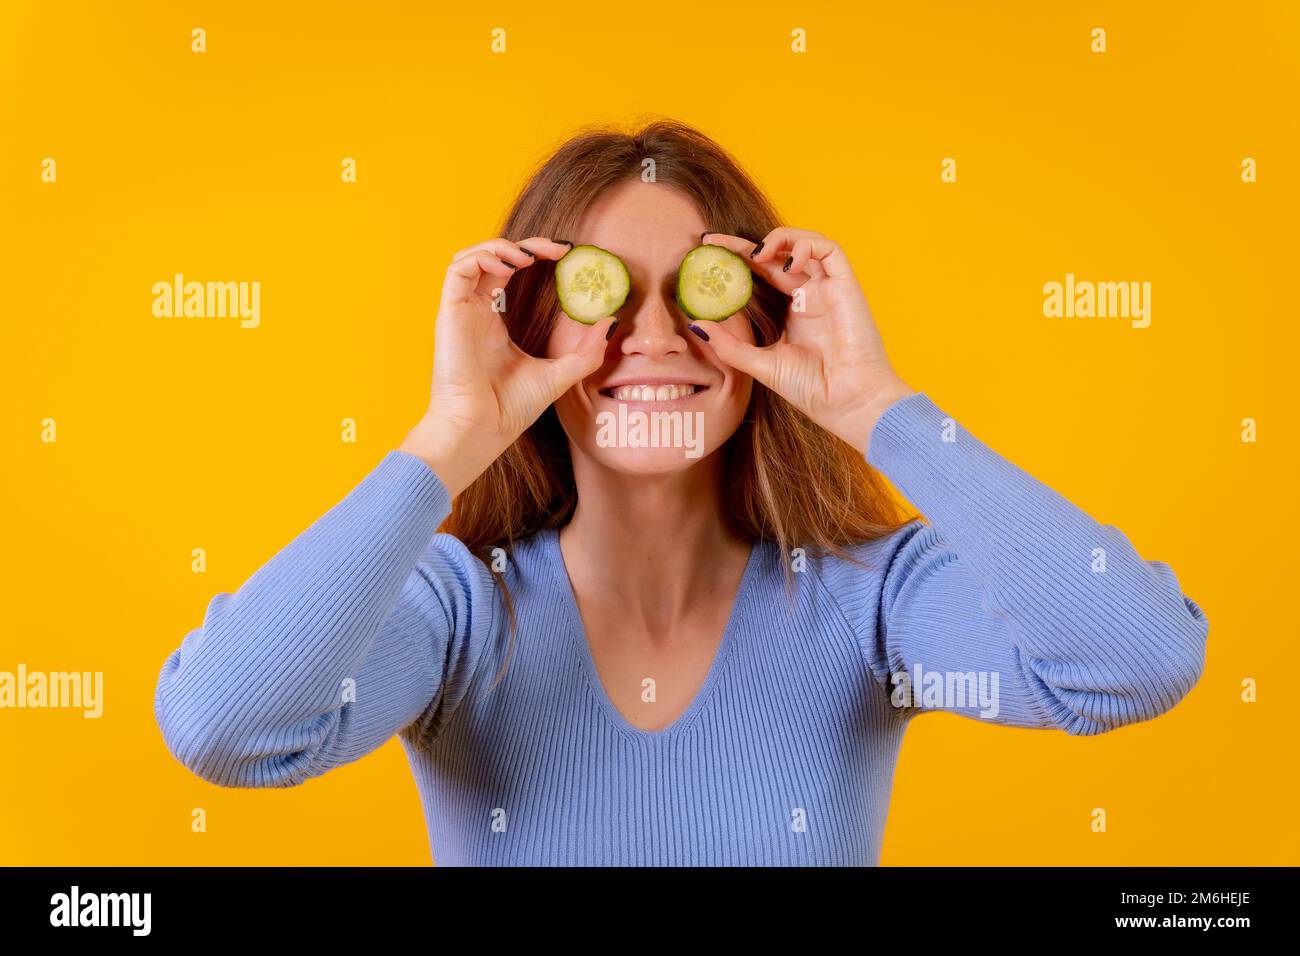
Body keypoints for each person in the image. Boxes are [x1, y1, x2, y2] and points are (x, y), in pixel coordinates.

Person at [154, 119, 1208, 866]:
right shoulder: (459, 613)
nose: (652, 338)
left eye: (701, 291)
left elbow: (1136, 658)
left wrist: (878, 405)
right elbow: (225, 724)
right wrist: (449, 439)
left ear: (766, 317)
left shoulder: (866, 600)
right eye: (598, 290)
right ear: (527, 323)